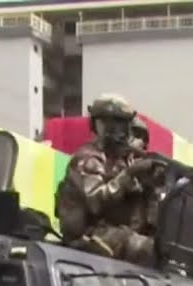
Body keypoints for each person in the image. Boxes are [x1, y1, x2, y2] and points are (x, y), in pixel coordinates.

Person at [54, 94, 159, 267]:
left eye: (121, 124)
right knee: (146, 250)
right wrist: (130, 174)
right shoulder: (88, 158)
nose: (115, 130)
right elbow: (95, 201)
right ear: (96, 125)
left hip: (114, 232)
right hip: (88, 237)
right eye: (108, 123)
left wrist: (152, 185)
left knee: (165, 248)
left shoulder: (122, 159)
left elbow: (139, 210)